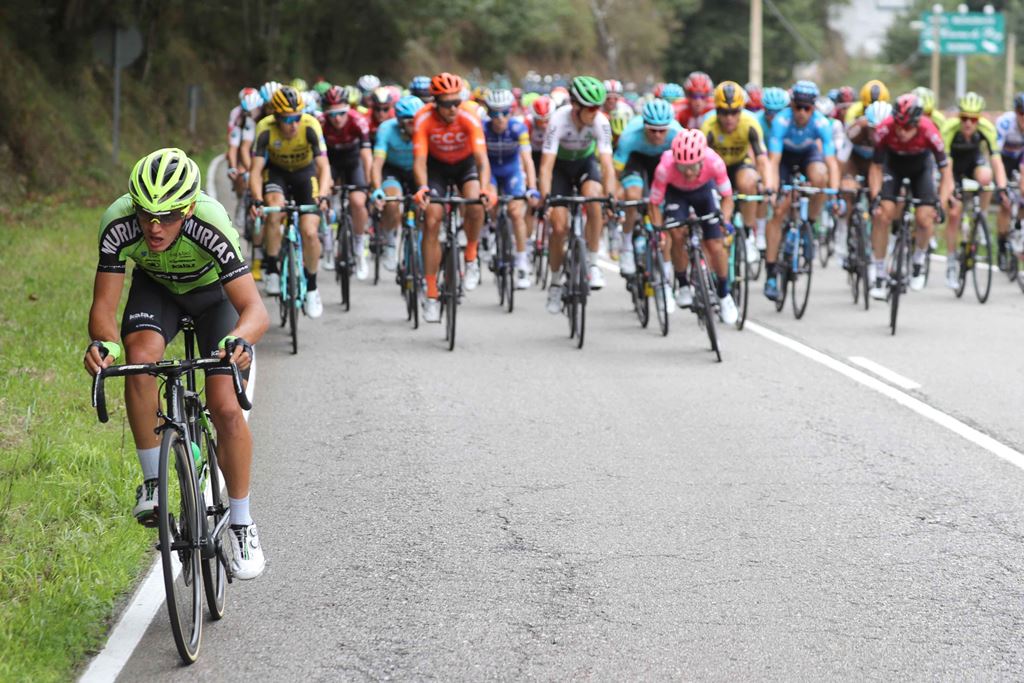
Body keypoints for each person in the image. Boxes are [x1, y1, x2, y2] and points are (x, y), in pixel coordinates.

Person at [85, 148, 269, 579]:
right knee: (139, 359)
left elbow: (254, 309)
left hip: (215, 299)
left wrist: (240, 338)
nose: (154, 227)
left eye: (167, 217)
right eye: (146, 214)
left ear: (187, 209)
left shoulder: (210, 221)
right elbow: (104, 307)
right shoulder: (117, 221)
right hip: (157, 291)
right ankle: (153, 480)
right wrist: (105, 345)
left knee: (225, 407)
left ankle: (242, 522)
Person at [411, 72, 494, 323]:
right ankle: (431, 293)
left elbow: (482, 160)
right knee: (432, 220)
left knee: (475, 204)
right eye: (447, 104)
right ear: (435, 102)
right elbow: (419, 161)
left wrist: (485, 189)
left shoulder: (469, 115)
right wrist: (422, 188)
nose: (453, 108)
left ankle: (471, 256)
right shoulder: (423, 118)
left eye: (457, 102)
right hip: (436, 167)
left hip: (464, 165)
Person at [248, 86, 333, 318]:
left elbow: (324, 167)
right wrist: (257, 199)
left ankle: (312, 287)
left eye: (297, 117)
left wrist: (323, 194)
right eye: (287, 119)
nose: (293, 124)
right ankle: (273, 268)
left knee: (310, 232)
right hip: (277, 173)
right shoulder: (265, 128)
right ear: (276, 117)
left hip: (305, 174)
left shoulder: (310, 125)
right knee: (274, 210)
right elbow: (255, 171)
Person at [537, 75, 617, 313]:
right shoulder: (558, 121)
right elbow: (546, 167)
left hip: (584, 165)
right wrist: (546, 199)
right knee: (559, 227)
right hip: (560, 169)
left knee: (594, 197)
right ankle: (554, 283)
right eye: (590, 108)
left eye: (598, 107)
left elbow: (607, 165)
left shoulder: (600, 121)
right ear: (575, 105)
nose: (595, 112)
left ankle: (592, 263)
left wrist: (610, 197)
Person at [647, 130, 739, 324]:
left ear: (702, 161)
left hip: (704, 191)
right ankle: (682, 284)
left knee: (715, 243)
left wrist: (725, 221)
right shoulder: (665, 167)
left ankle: (724, 294)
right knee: (676, 233)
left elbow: (727, 197)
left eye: (693, 166)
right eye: (682, 167)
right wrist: (659, 232)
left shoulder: (715, 162)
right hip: (676, 194)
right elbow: (654, 203)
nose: (688, 172)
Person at [868, 93, 953, 298]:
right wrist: (875, 196)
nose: (902, 132)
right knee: (882, 214)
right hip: (893, 166)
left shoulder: (929, 130)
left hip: (920, 168)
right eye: (899, 126)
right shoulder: (885, 129)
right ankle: (879, 272)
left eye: (907, 127)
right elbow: (876, 167)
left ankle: (918, 261)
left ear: (917, 123)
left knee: (925, 218)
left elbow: (946, 172)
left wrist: (941, 203)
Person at [763, 80, 839, 301]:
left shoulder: (821, 123)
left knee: (820, 177)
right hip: (784, 158)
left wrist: (834, 194)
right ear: (792, 105)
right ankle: (770, 273)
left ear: (813, 108)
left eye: (807, 108)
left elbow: (831, 162)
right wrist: (772, 189)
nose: (802, 113)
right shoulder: (781, 121)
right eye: (798, 107)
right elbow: (773, 162)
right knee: (778, 212)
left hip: (808, 155)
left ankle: (809, 225)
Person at [941, 91, 1010, 287]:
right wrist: (949, 190)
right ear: (959, 117)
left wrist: (1002, 187)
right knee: (954, 213)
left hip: (973, 164)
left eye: (973, 119)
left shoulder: (986, 128)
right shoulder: (949, 129)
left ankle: (981, 216)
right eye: (964, 118)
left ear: (979, 118)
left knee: (987, 177)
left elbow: (996, 162)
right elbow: (945, 166)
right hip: (953, 168)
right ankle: (951, 262)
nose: (968, 123)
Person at [482, 88, 540, 289]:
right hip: (491, 170)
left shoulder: (518, 128)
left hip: (512, 171)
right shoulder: (482, 128)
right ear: (488, 113)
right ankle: (492, 232)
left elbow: (527, 160)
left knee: (516, 213)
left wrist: (532, 187)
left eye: (505, 113)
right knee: (490, 201)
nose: (500, 118)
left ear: (511, 112)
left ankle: (522, 262)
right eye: (495, 113)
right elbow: (479, 161)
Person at [320, 85, 373, 280]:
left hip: (353, 161)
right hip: (330, 161)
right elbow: (318, 160)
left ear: (348, 109)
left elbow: (366, 155)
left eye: (341, 113)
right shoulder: (320, 123)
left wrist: (369, 183)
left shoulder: (358, 120)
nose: (337, 119)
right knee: (323, 196)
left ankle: (359, 246)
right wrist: (325, 183)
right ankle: (327, 241)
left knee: (358, 202)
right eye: (332, 114)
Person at [370, 95, 424, 271]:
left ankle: (419, 240)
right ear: (400, 121)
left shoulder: (425, 128)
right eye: (410, 122)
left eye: (417, 120)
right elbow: (377, 164)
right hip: (392, 170)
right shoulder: (386, 129)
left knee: (425, 207)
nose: (415, 125)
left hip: (416, 170)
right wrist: (377, 189)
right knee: (392, 201)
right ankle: (390, 241)